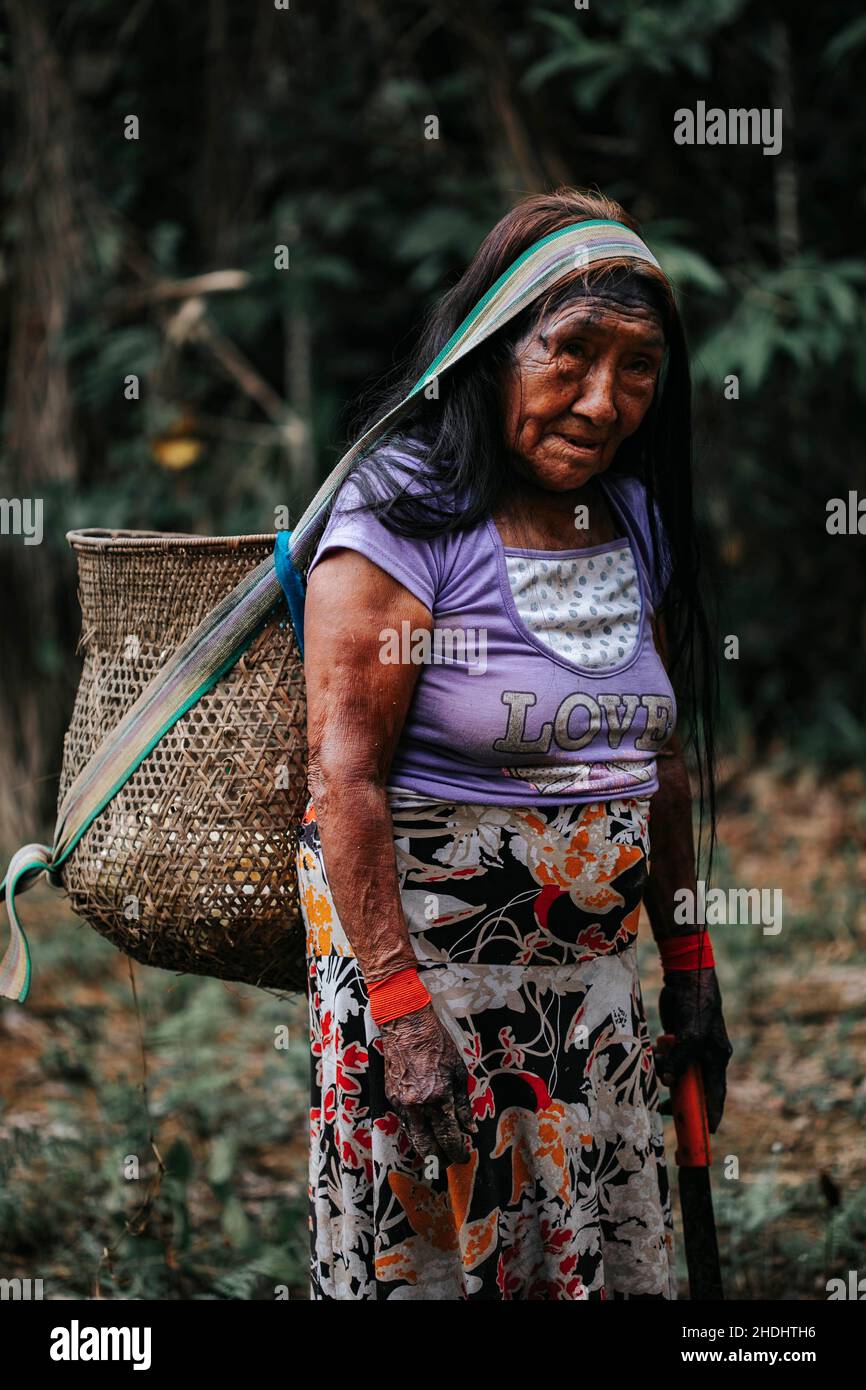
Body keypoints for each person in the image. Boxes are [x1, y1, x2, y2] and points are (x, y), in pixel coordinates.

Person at [295, 187, 732, 1300]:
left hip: (589, 1003)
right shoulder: (401, 511)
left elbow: (659, 764)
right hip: (430, 1004)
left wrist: (689, 968)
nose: (602, 400)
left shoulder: (626, 512)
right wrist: (397, 1018)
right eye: (570, 353)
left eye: (637, 366)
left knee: (584, 1265)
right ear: (493, 349)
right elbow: (343, 777)